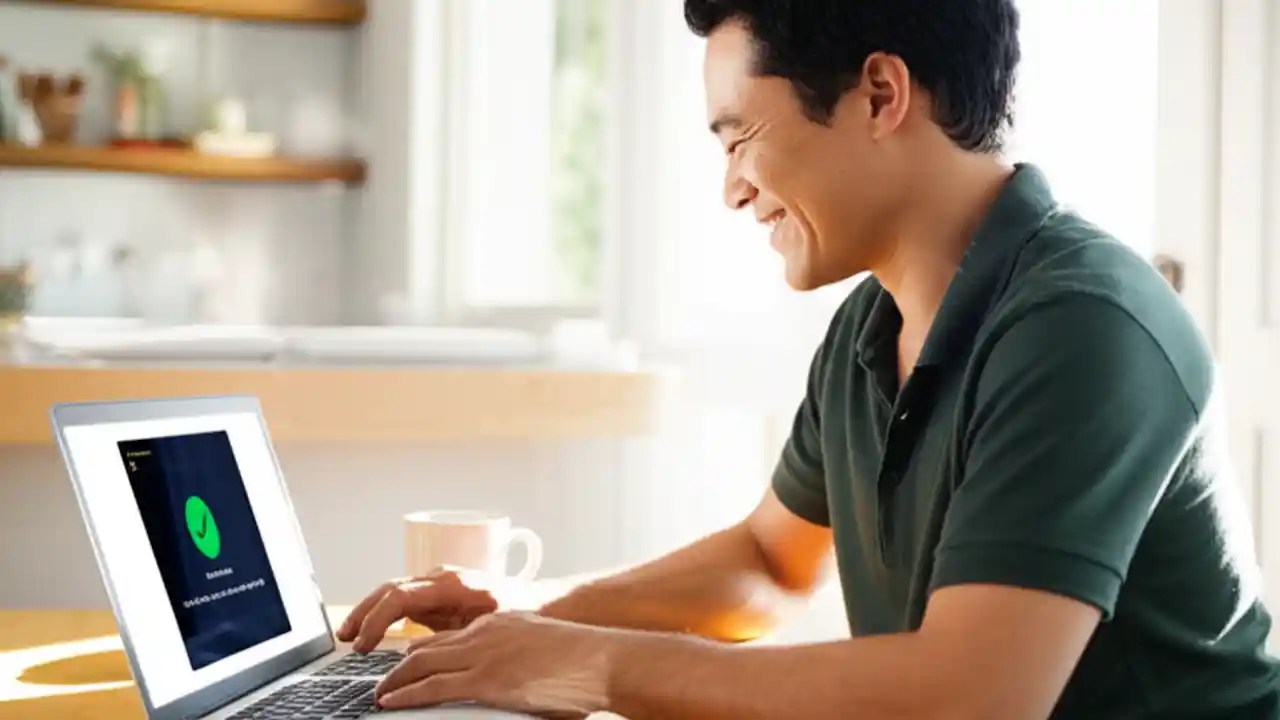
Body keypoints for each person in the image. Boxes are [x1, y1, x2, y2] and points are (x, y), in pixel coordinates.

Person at [341, 1, 1280, 717]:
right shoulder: (871, 325)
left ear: (881, 93)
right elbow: (765, 565)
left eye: (740, 135)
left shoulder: (1084, 324)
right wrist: (537, 617)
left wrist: (584, 662)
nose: (731, 188)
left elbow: (970, 698)